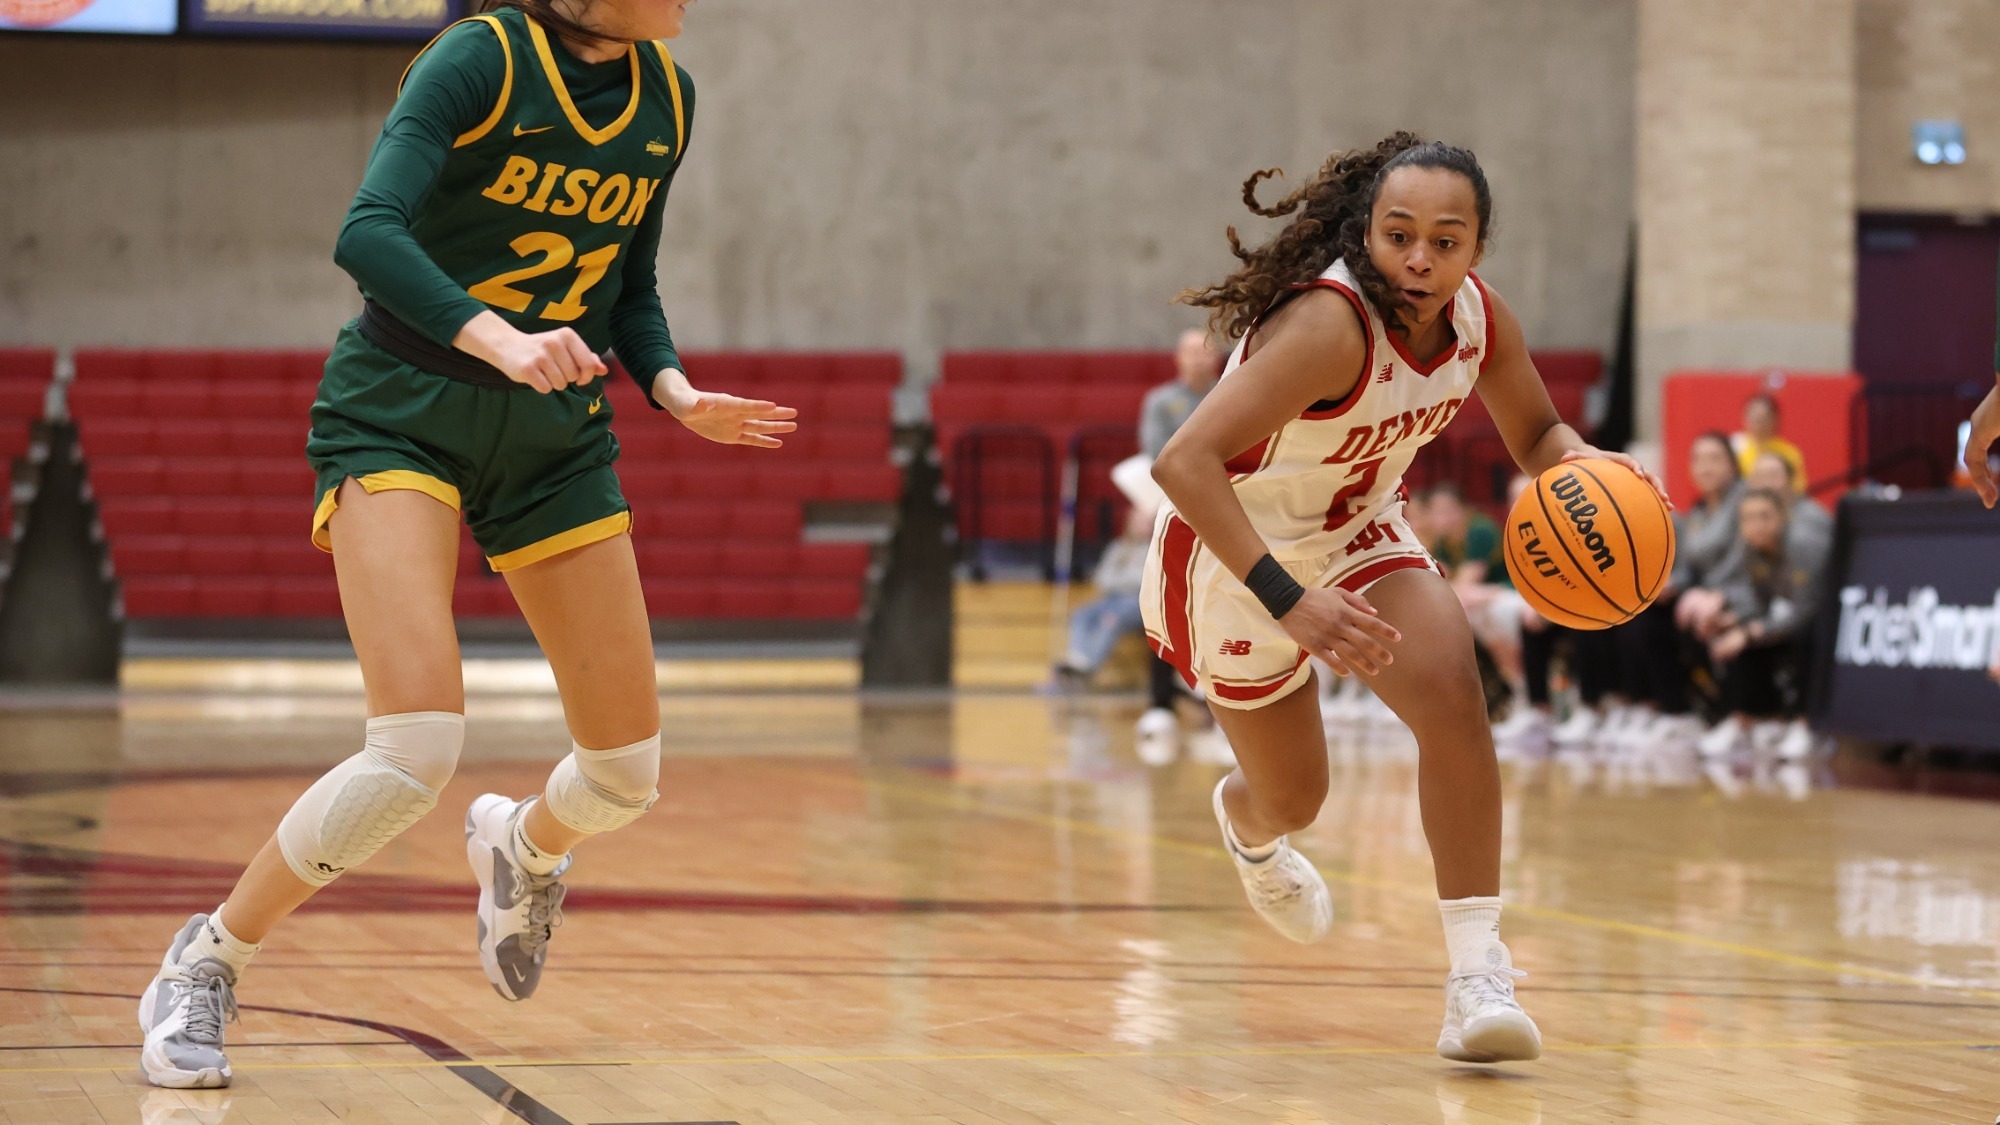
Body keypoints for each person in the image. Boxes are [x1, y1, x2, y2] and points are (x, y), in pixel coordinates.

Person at [138, 0, 796, 1091]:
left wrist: (673, 390)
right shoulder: (478, 55)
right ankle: (209, 957)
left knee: (626, 776)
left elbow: (627, 284)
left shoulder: (668, 95)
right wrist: (500, 338)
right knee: (412, 750)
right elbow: (367, 230)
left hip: (553, 438)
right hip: (401, 407)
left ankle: (525, 846)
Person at [1151, 133, 1664, 1063]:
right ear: (1368, 237)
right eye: (1399, 237)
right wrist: (1286, 598)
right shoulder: (1327, 328)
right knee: (1294, 796)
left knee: (1455, 697)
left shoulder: (1480, 321)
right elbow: (1180, 462)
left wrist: (1595, 469)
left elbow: (1540, 431)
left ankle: (1477, 977)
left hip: (1357, 531)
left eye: (1446, 239)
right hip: (1233, 553)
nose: (1421, 259)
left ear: (1475, 248)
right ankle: (1247, 825)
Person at [1696, 488, 1830, 761]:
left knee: (1805, 636)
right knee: (1731, 634)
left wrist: (1751, 632)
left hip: (1824, 625)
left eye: (1764, 516)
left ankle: (1807, 726)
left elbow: (1807, 610)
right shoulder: (1751, 550)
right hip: (1786, 619)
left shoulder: (1803, 545)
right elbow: (1760, 603)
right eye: (1748, 518)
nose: (1756, 525)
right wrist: (1732, 620)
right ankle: (1752, 720)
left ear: (1783, 517)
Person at [1054, 505, 1153, 685]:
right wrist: (1128, 579)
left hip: (1137, 604)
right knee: (1082, 613)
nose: (1143, 526)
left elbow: (1146, 583)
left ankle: (1088, 666)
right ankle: (1077, 657)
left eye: (1147, 522)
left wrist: (1120, 578)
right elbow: (1102, 579)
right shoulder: (1118, 547)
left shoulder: (1156, 550)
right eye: (1140, 521)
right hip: (1112, 599)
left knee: (1110, 618)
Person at [1140, 329, 1226, 459]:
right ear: (1178, 357)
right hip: (1175, 471)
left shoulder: (1226, 394)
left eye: (1206, 353)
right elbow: (1155, 447)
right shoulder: (1160, 400)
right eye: (1193, 353)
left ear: (1217, 357)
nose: (1199, 360)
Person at [1731, 392, 1805, 489]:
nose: (1758, 420)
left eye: (1763, 416)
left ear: (1775, 419)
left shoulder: (1789, 453)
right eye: (1754, 415)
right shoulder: (1734, 445)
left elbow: (1797, 488)